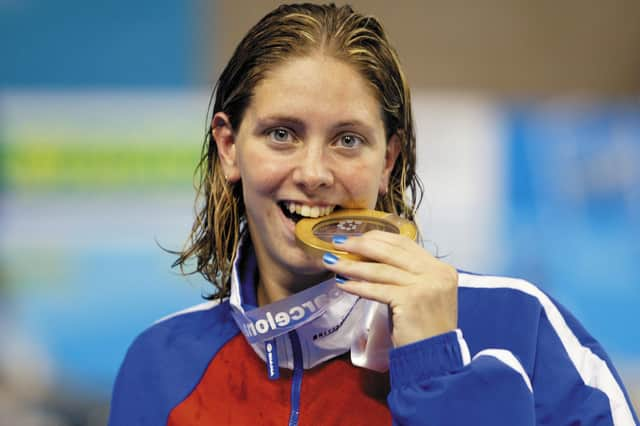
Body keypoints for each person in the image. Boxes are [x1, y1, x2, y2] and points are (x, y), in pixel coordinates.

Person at [109, 3, 638, 425]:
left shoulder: (520, 326)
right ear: (229, 148)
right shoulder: (160, 365)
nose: (314, 172)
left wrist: (436, 368)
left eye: (347, 139)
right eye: (281, 134)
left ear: (387, 161)